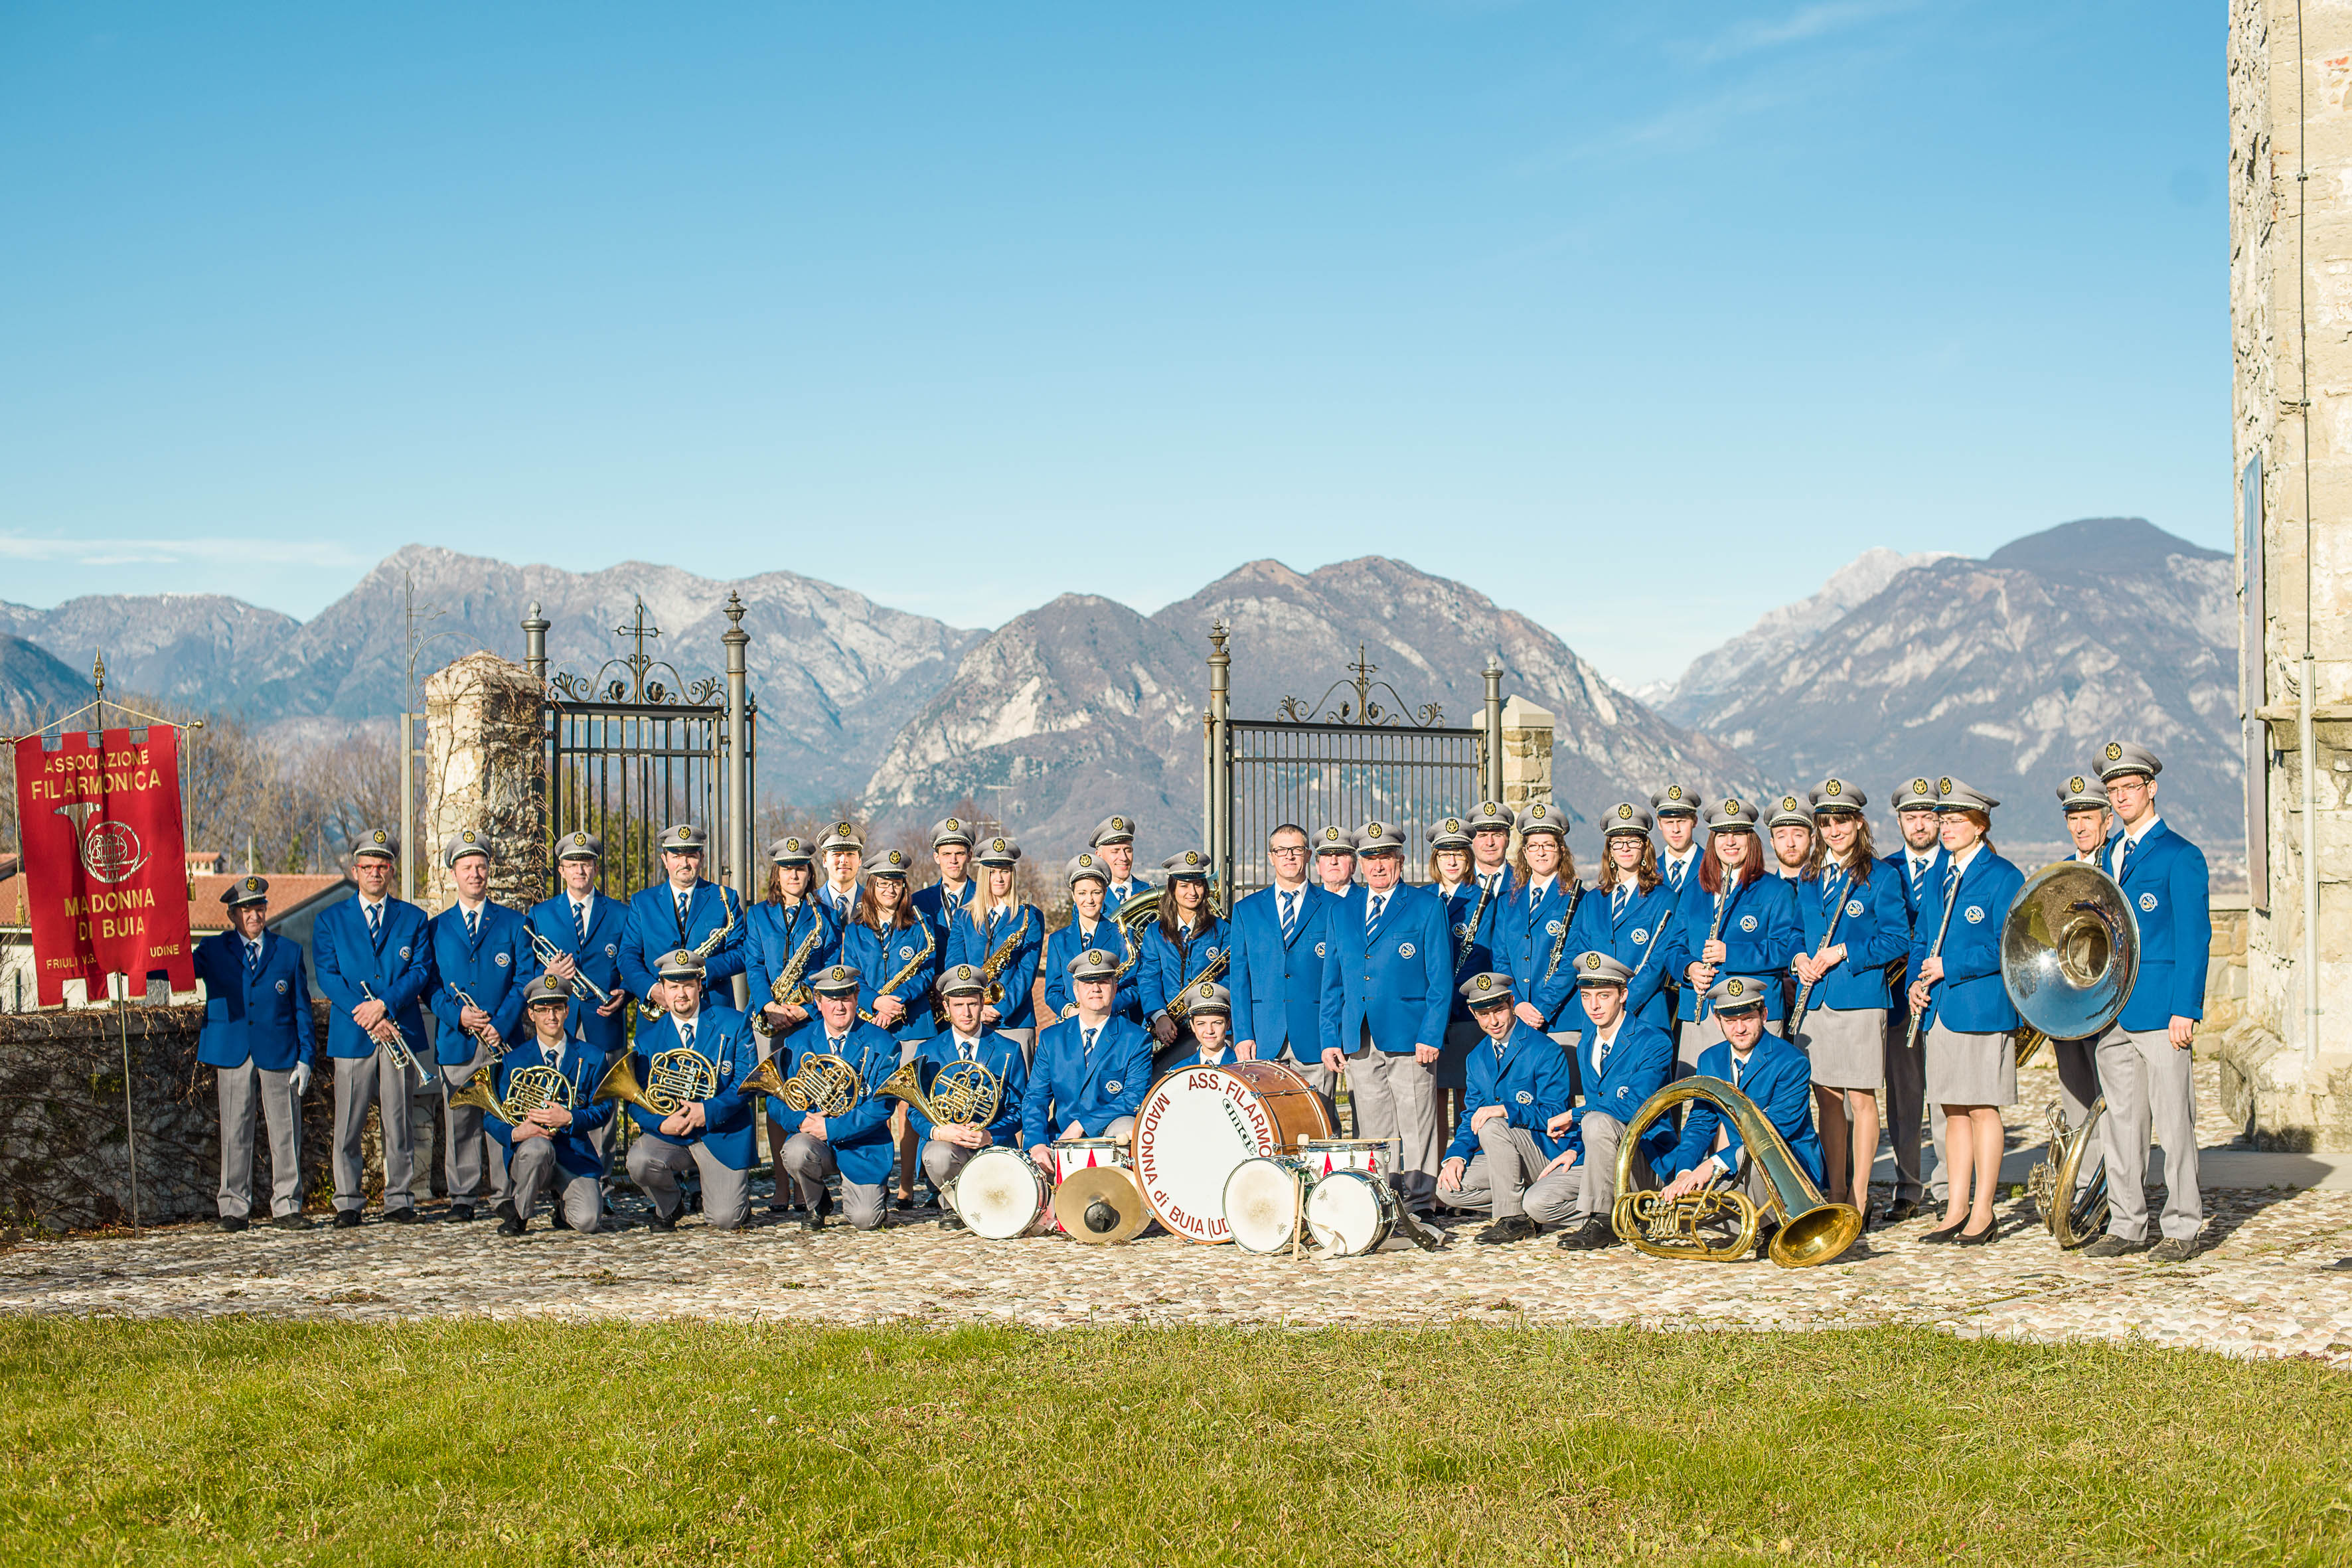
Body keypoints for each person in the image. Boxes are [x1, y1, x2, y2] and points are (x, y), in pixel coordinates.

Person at [2082, 742, 2211, 1264]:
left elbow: (2194, 938)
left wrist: (2187, 1008)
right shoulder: (2107, 858)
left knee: (2175, 1124)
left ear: (2150, 789)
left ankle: (2181, 1226)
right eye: (2112, 791)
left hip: (2161, 1011)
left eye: (2129, 788)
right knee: (2122, 1122)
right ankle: (2127, 1224)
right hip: (2112, 1011)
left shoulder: (2180, 855)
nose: (2120, 798)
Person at [1905, 777, 2025, 1247]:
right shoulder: (1938, 874)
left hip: (1980, 1009)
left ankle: (1983, 1211)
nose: (1945, 828)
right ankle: (1954, 1208)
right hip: (1940, 1010)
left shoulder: (2003, 876)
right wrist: (1918, 979)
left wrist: (1948, 965)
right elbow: (1921, 938)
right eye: (1942, 820)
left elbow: (2008, 945)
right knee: (1950, 1110)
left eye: (1955, 821)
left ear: (1979, 825)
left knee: (1981, 1107)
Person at [1788, 779, 1909, 1220]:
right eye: (1825, 822)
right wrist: (1799, 956)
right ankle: (1834, 1187)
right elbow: (1796, 933)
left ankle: (1859, 1193)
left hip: (1859, 999)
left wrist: (1844, 952)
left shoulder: (1881, 876)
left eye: (1842, 821)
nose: (1834, 830)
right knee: (1827, 1100)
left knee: (1860, 1098)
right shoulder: (1808, 877)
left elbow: (1897, 938)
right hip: (1815, 999)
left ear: (1859, 822)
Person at [1318, 821, 1452, 1211]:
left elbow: (1440, 980)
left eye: (1386, 858)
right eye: (1370, 858)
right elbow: (1334, 983)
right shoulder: (1342, 912)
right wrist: (1331, 1037)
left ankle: (1422, 1202)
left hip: (1411, 1036)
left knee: (1416, 1123)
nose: (1378, 866)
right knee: (1374, 1126)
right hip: (1359, 1036)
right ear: (1359, 863)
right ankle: (1383, 1202)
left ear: (1401, 861)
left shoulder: (1426, 907)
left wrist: (1431, 1033)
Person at [1654, 975, 1829, 1259]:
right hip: (1739, 1163)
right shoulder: (1710, 1060)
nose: (1740, 1028)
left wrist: (1712, 1164)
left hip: (1785, 1166)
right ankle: (1756, 1220)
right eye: (1730, 1021)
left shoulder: (1792, 1062)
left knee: (1763, 1158)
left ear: (1764, 1015)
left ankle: (1777, 1227)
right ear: (1717, 1020)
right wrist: (1685, 1170)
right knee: (1696, 1210)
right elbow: (1701, 1122)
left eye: (1748, 1018)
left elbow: (1773, 1131)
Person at [312, 828, 432, 1227]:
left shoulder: (414, 918)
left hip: (398, 1030)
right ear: (354, 870)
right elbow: (328, 976)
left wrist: (384, 1005)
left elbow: (420, 971)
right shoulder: (330, 919)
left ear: (392, 871)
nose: (375, 873)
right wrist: (363, 1012)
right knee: (349, 1121)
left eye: (382, 866)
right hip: (353, 1033)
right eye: (368, 867)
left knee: (398, 1120)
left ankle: (399, 1198)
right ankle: (347, 1200)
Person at [426, 828, 534, 1224]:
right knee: (461, 1119)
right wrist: (458, 1016)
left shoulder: (513, 923)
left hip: (501, 1042)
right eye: (467, 867)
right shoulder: (436, 928)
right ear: (454, 873)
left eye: (481, 867)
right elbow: (430, 987)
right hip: (458, 1039)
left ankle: (505, 1193)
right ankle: (462, 1195)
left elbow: (525, 980)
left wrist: (501, 1025)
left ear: (490, 872)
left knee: (504, 1117)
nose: (475, 874)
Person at [194, 876, 313, 1232]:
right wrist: (131, 962)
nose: (254, 915)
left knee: (285, 1131)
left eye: (259, 907)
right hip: (232, 1051)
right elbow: (177, 969)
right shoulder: (214, 950)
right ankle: (233, 1208)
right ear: (233, 914)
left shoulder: (288, 952)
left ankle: (288, 1206)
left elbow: (302, 1009)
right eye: (246, 909)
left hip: (279, 1051)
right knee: (234, 1131)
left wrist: (306, 1057)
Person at [1535, 953, 1677, 1251]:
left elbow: (1634, 1105)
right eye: (1586, 997)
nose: (1594, 1006)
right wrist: (1575, 1150)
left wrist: (1574, 1115)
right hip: (1602, 1153)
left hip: (1644, 1157)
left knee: (1596, 1119)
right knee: (1537, 1204)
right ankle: (1625, 1214)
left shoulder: (1654, 1041)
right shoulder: (1587, 1042)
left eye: (1604, 996)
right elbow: (1596, 1111)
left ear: (1624, 995)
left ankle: (1602, 1221)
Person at [623, 948, 758, 1233]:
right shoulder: (648, 1038)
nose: (680, 994)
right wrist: (662, 1122)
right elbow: (636, 1102)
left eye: (687, 985)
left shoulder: (733, 1023)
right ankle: (670, 1205)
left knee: (726, 1220)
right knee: (639, 1161)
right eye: (673, 987)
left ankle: (731, 1196)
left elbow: (746, 1084)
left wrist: (706, 1111)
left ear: (699, 985)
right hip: (673, 1134)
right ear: (662, 989)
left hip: (721, 1131)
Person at [1434, 971, 1573, 1244]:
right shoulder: (1476, 1058)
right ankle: (1529, 1207)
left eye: (1498, 1011)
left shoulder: (1545, 1049)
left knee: (1494, 1123)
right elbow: (1470, 1117)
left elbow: (1555, 1114)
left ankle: (1513, 1218)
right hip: (1505, 1157)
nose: (1493, 1021)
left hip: (1543, 1150)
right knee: (1448, 1190)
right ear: (1474, 1015)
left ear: (1511, 1003)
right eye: (1484, 1015)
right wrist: (1456, 1156)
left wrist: (1507, 1110)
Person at [744, 833, 840, 1214]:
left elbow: (831, 970)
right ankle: (780, 1185)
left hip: (805, 1020)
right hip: (768, 1017)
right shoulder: (758, 915)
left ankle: (804, 1182)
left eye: (800, 868)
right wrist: (769, 1004)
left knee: (804, 1097)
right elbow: (753, 965)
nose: (793, 874)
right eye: (786, 868)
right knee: (774, 1099)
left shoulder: (824, 916)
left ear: (809, 872)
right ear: (776, 873)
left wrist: (806, 1009)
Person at [1668, 799, 1800, 1068]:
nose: (1730, 842)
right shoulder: (1694, 891)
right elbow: (1673, 948)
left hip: (1754, 1014)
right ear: (1712, 841)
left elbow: (1785, 949)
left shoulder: (1776, 890)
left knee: (1755, 1099)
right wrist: (1690, 968)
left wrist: (1730, 953)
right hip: (1702, 1011)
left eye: (1738, 834)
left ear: (1751, 840)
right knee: (1700, 1097)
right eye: (1722, 835)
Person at [775, 963, 903, 1232]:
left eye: (846, 998)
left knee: (866, 1220)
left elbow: (882, 1106)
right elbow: (776, 1100)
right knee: (796, 1151)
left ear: (857, 999)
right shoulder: (798, 1043)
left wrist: (831, 1127)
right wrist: (801, 1122)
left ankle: (874, 1194)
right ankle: (817, 1202)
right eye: (832, 1000)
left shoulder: (884, 1042)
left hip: (861, 1144)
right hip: (813, 1138)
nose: (840, 1007)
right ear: (818, 1004)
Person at [1227, 824, 1342, 1123]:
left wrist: (1336, 1033)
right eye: (1281, 850)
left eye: (1296, 850)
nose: (1289, 856)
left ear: (1307, 854)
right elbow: (1239, 979)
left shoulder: (1335, 907)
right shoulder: (1246, 910)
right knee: (1269, 1123)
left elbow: (1343, 977)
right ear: (1271, 857)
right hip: (1264, 1038)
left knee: (1319, 1120)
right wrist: (1243, 1034)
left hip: (1316, 1036)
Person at [484, 977, 613, 1235]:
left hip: (574, 1156)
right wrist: (516, 1133)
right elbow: (491, 1117)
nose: (551, 1016)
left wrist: (569, 1118)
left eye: (557, 1009)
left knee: (588, 1222)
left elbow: (604, 1109)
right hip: (531, 1153)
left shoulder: (593, 1056)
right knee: (537, 1149)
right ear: (531, 1014)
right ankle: (519, 1215)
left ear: (567, 1010)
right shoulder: (514, 1060)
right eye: (543, 1010)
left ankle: (563, 1205)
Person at [908, 964, 1030, 1229]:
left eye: (973, 1004)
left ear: (982, 1003)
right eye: (959, 1005)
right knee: (936, 1154)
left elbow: (1020, 1108)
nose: (966, 1012)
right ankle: (954, 1205)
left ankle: (981, 1200)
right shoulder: (928, 1050)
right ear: (946, 1007)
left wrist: (991, 1134)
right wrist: (940, 1132)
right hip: (950, 1144)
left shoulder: (1008, 1049)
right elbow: (915, 1110)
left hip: (991, 1145)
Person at [1879, 776, 1949, 1224]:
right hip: (1895, 1001)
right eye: (1911, 816)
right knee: (1903, 1101)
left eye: (1927, 816)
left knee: (1946, 1096)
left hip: (1943, 997)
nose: (1919, 824)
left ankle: (1946, 1187)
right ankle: (1907, 1188)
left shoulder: (1958, 863)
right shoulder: (1883, 871)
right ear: (1899, 821)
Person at [2047, 772, 2117, 1201]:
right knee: (2075, 1098)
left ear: (2107, 820)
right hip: (2068, 1003)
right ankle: (2080, 1185)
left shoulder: (2119, 867)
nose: (2079, 826)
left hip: (2110, 1002)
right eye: (2073, 818)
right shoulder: (2060, 875)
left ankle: (2114, 1190)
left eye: (2088, 817)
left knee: (2112, 1101)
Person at [1024, 947, 1155, 1154]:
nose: (1095, 989)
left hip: (1110, 1139)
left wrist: (1082, 1125)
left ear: (1115, 986)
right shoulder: (1052, 1039)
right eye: (1087, 983)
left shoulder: (1137, 1039)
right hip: (1059, 1138)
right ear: (1076, 990)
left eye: (1103, 982)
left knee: (1129, 1128)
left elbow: (1134, 1098)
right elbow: (1036, 1097)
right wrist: (1037, 1144)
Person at [1565, 803, 1678, 1034]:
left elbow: (1657, 964)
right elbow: (1583, 956)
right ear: (1610, 850)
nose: (1625, 848)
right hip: (1596, 1018)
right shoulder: (1593, 900)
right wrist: (1603, 1005)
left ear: (1645, 846)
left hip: (1643, 1016)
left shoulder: (1664, 898)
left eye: (1633, 841)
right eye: (1618, 842)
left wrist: (1621, 1006)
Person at [526, 829, 631, 1063]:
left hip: (605, 1025)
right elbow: (525, 969)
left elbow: (635, 963)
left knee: (605, 1099)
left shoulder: (621, 913)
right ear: (561, 871)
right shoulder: (541, 914)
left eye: (585, 864)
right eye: (572, 865)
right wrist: (547, 974)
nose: (579, 871)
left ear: (595, 868)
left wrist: (626, 992)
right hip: (558, 1026)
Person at [1493, 801, 1583, 1068]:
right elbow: (1500, 960)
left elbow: (1572, 960)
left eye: (1548, 845)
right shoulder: (1506, 902)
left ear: (1561, 850)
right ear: (1524, 852)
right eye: (1533, 845)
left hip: (1560, 1019)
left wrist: (1542, 1007)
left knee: (1560, 1099)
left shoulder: (1578, 899)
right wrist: (1517, 1004)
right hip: (1517, 1018)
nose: (1541, 852)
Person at [618, 823, 745, 1006]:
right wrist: (651, 989)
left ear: (702, 858)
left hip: (713, 1007)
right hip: (660, 1007)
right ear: (664, 859)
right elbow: (628, 955)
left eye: (691, 856)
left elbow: (741, 952)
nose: (684, 864)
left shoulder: (726, 898)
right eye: (676, 856)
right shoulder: (642, 902)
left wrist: (702, 971)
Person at [1137, 849, 1236, 1072]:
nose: (1192, 892)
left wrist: (1209, 1011)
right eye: (1184, 885)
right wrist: (1159, 1016)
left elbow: (1232, 977)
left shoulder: (1223, 930)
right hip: (1168, 1031)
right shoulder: (1154, 932)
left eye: (1198, 884)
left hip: (1210, 1029)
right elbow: (1148, 979)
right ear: (1172, 889)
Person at [945, 835, 1044, 1056]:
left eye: (1005, 871)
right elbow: (954, 965)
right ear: (983, 876)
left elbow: (1027, 972)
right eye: (992, 872)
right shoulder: (963, 916)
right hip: (971, 1020)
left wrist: (1000, 1009)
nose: (998, 878)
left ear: (1013, 874)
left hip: (1015, 1022)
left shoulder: (1031, 916)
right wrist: (974, 1009)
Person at [840, 847, 941, 1055]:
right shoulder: (854, 931)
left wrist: (895, 1002)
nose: (890, 890)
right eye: (883, 884)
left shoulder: (922, 925)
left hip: (915, 1027)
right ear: (871, 886)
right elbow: (852, 977)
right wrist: (876, 1002)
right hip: (870, 1023)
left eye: (896, 884)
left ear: (904, 888)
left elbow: (926, 972)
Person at [1427, 815, 1486, 1137]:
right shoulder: (1422, 899)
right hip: (1431, 1013)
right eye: (1444, 854)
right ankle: (1433, 1176)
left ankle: (1463, 1168)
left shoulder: (1484, 901)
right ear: (1435, 859)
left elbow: (1491, 955)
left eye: (1459, 853)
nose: (1452, 861)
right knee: (1431, 1099)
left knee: (1468, 1096)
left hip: (1468, 1011)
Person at [1040, 852, 1143, 1026]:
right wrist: (1071, 1011)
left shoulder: (1123, 936)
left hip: (1113, 1022)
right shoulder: (1058, 940)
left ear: (1105, 894)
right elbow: (1053, 991)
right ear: (1073, 896)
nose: (1089, 900)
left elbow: (1133, 987)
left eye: (1096, 892)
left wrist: (1103, 1008)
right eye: (1082, 893)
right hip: (1071, 1024)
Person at [911, 817, 978, 940]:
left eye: (959, 854)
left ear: (969, 856)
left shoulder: (986, 896)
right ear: (936, 858)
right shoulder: (917, 902)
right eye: (946, 854)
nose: (953, 860)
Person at [1157, 981, 1241, 1069]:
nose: (1209, 1031)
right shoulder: (1179, 1070)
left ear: (1228, 1024)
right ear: (1192, 1026)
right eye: (1201, 1024)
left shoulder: (1242, 1066)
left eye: (1217, 1023)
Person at [1650, 785, 1703, 896]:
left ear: (1695, 821)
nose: (1676, 830)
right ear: (1659, 824)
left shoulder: (1715, 866)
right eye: (1669, 822)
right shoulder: (1649, 872)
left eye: (1682, 821)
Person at [1091, 815, 1148, 913]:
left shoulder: (1150, 893)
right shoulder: (1089, 898)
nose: (1124, 858)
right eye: (1115, 851)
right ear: (1099, 856)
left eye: (1128, 850)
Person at [817, 821, 864, 924]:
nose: (844, 860)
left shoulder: (873, 902)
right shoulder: (809, 903)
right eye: (837, 854)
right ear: (824, 861)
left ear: (860, 860)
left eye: (851, 854)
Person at [1766, 795, 1814, 882]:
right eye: (1781, 837)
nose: (1790, 844)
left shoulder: (1827, 887)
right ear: (1773, 843)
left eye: (1798, 835)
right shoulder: (1764, 892)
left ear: (1812, 839)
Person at [1313, 824, 1361, 902]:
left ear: (1354, 866)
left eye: (1340, 855)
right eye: (1327, 856)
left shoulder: (1367, 901)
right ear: (1318, 866)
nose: (1334, 862)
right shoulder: (1307, 901)